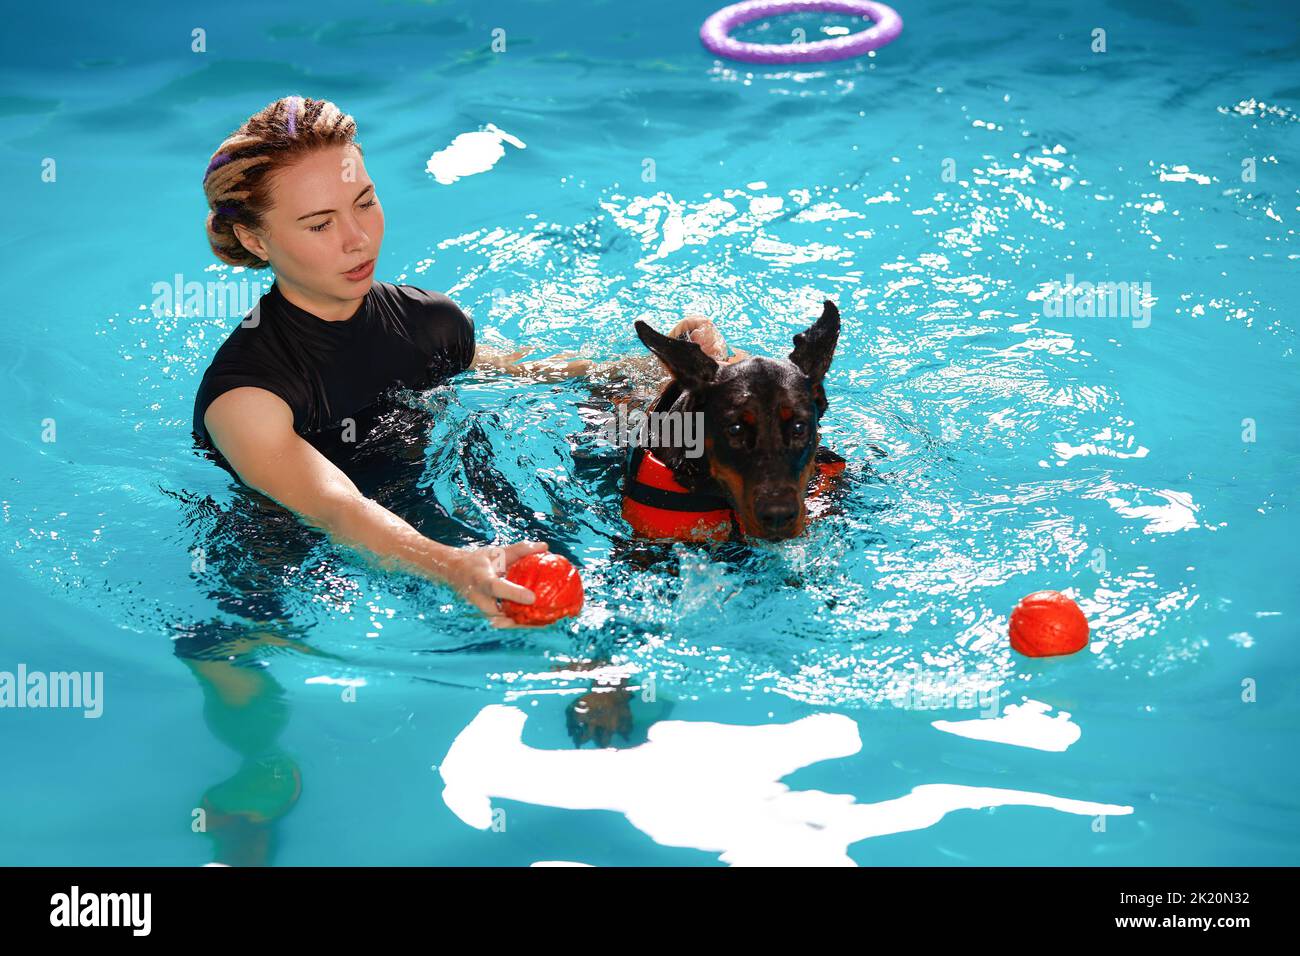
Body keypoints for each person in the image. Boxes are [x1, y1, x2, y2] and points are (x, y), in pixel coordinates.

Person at [196, 95, 736, 628]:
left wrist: (667, 364)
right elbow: (338, 509)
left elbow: (530, 370)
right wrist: (454, 567)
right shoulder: (245, 396)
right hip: (289, 561)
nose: (358, 239)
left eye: (364, 202)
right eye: (320, 225)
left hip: (433, 499)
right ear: (254, 238)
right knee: (235, 663)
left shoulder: (427, 321)